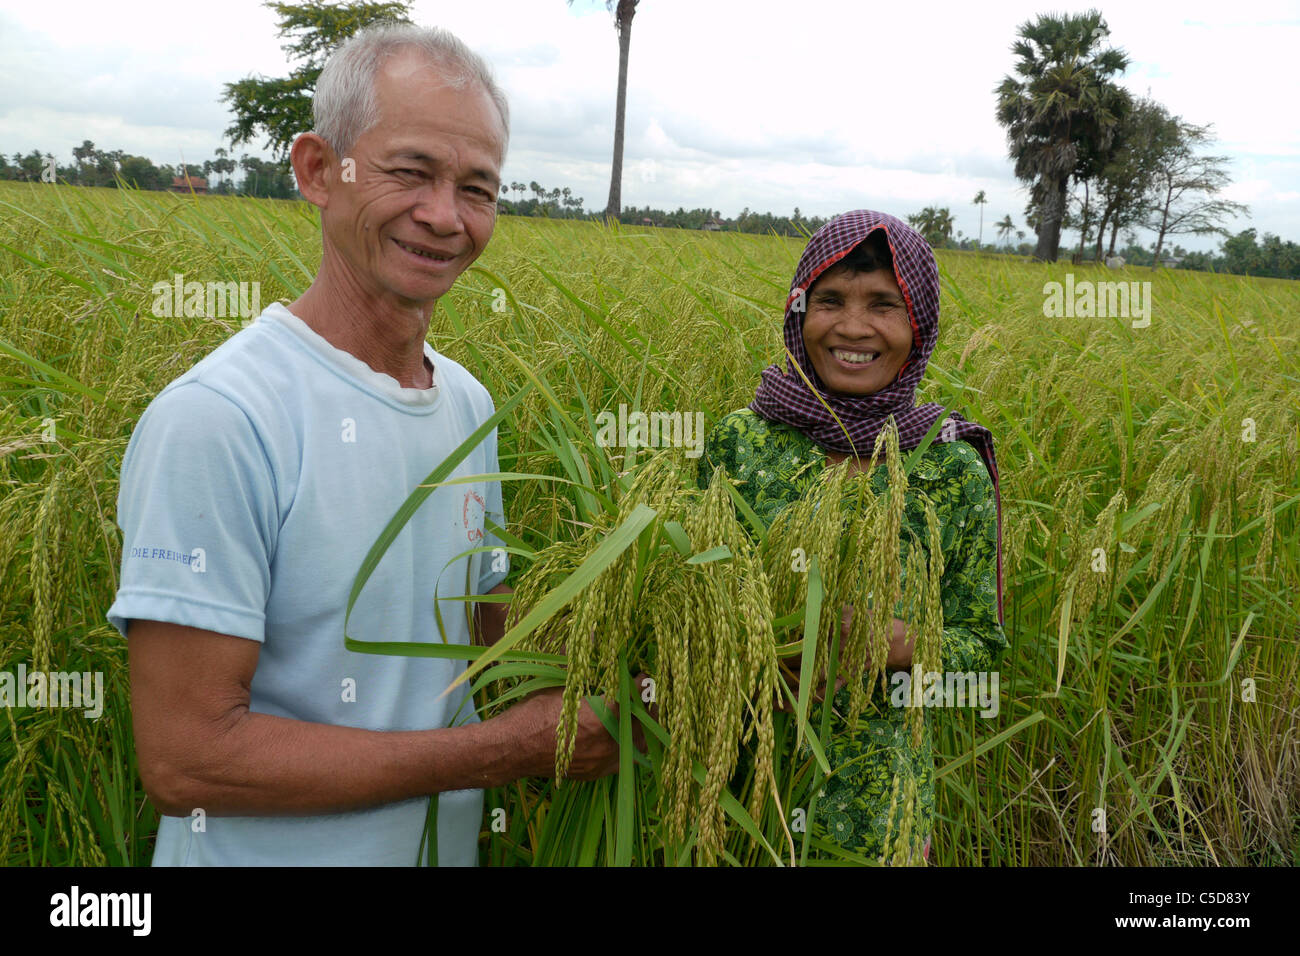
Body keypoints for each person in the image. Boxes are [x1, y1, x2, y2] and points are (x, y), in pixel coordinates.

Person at [108, 23, 637, 866]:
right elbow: (187, 758)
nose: (444, 217)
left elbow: (487, 630)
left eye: (477, 188)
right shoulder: (221, 417)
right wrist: (504, 751)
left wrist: (658, 633)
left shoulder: (467, 403)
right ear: (319, 170)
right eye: (410, 172)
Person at [697, 209, 1009, 864]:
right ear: (797, 312)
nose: (853, 327)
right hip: (731, 798)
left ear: (917, 324)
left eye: (883, 305)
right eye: (829, 300)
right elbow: (691, 589)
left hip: (875, 817)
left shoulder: (949, 465)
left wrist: (899, 645)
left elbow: (982, 652)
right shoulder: (742, 440)